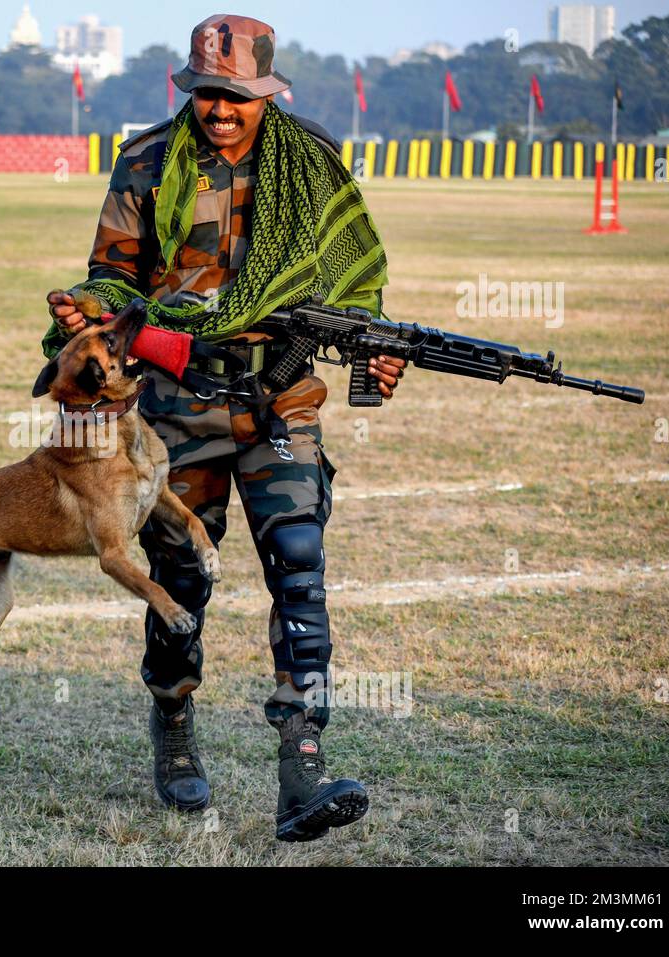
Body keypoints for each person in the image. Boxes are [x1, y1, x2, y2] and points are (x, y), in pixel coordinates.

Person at [44, 14, 407, 841]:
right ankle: (172, 720)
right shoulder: (146, 158)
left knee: (300, 566)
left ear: (265, 92)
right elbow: (114, 276)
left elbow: (352, 278)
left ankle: (302, 763)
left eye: (235, 96)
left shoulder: (309, 159)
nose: (218, 109)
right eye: (207, 93)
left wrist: (374, 346)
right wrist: (87, 306)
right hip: (177, 405)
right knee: (183, 576)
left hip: (282, 401)